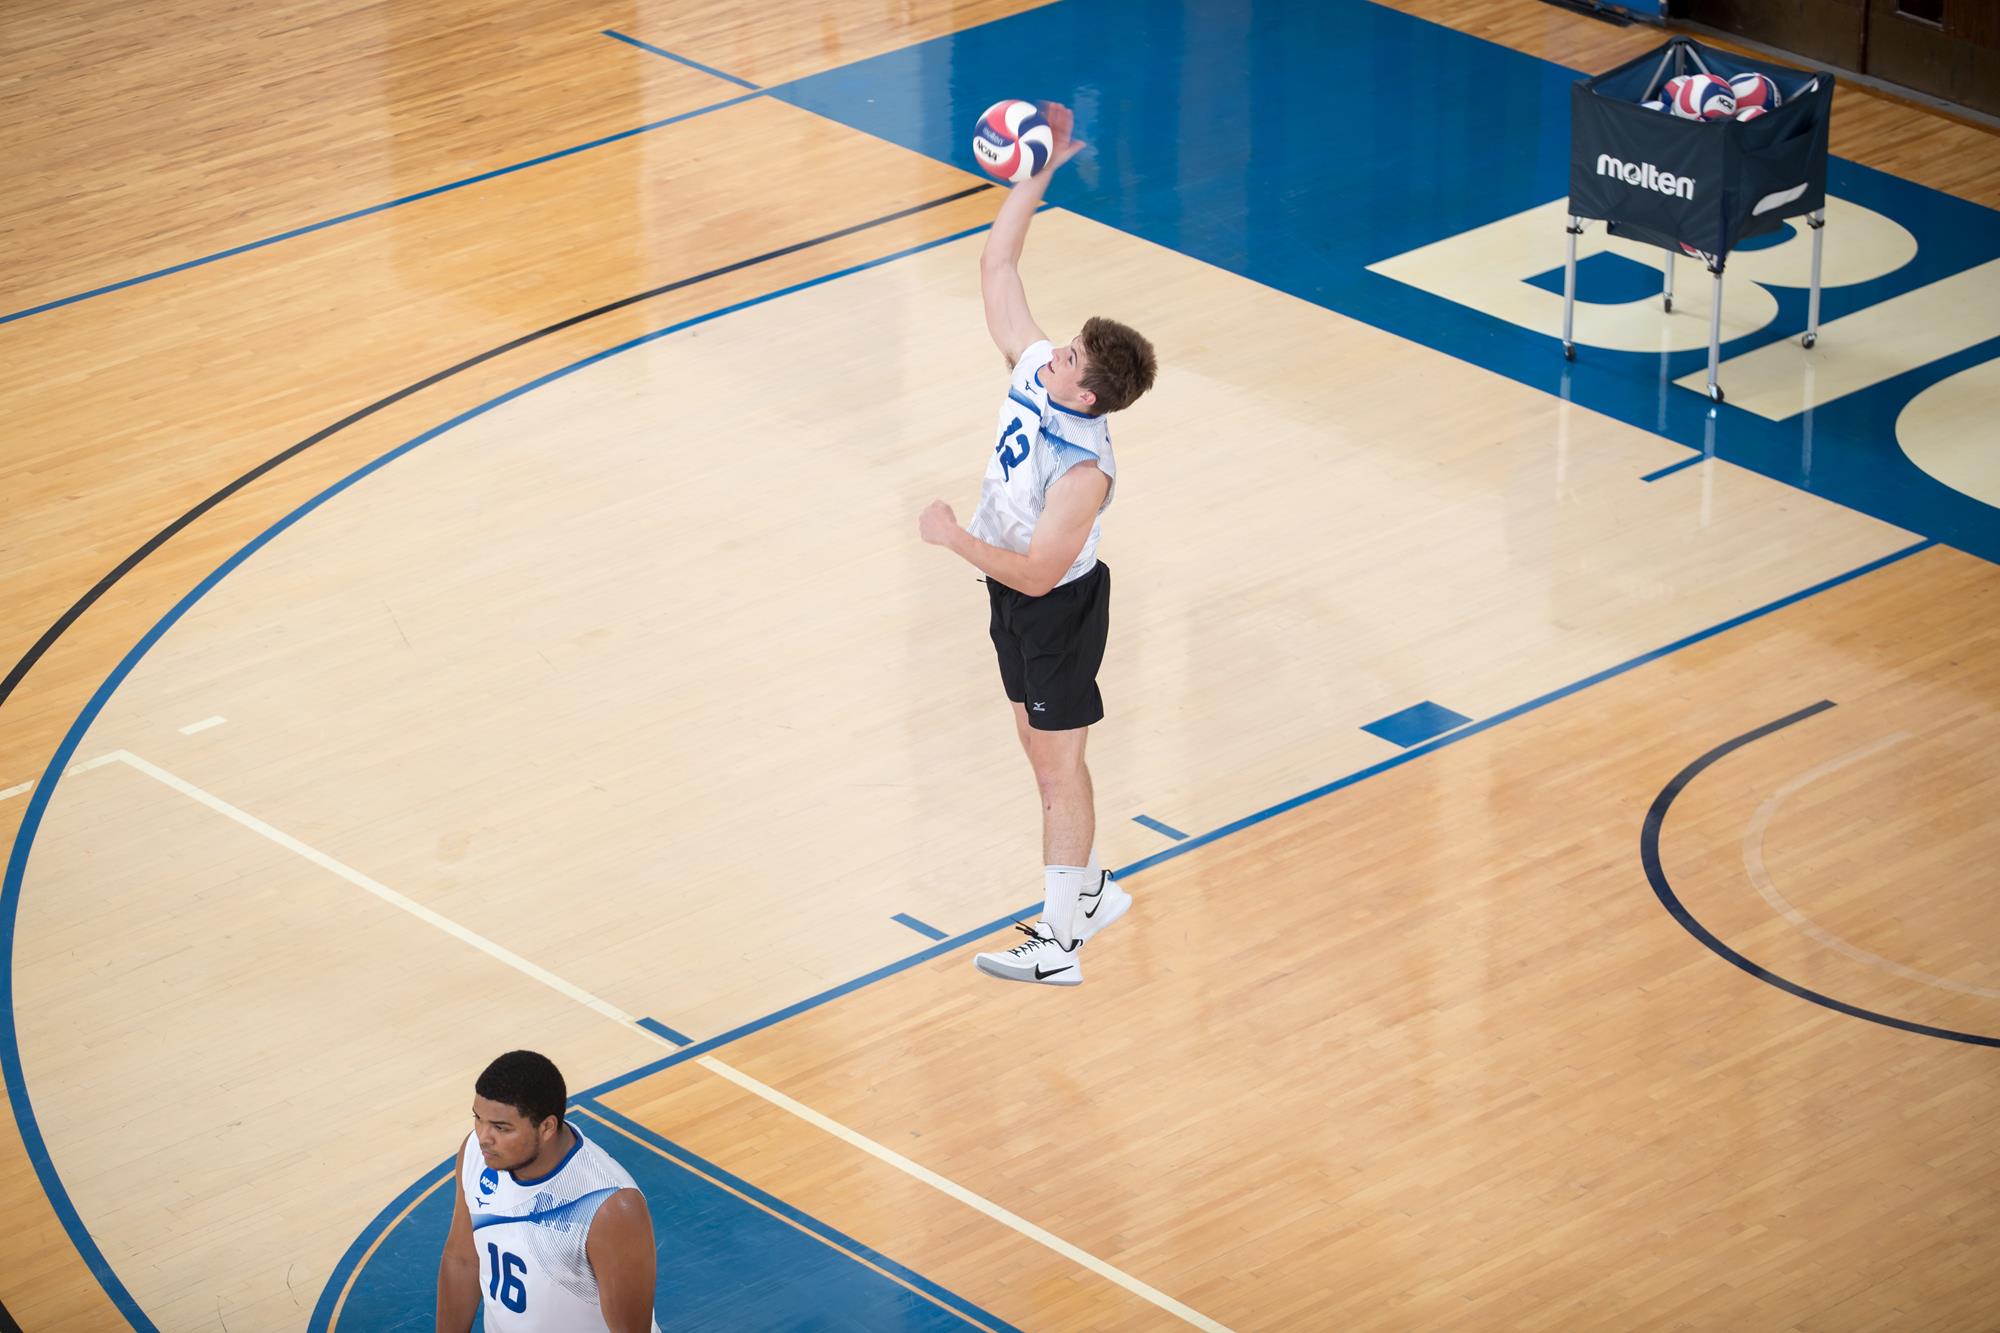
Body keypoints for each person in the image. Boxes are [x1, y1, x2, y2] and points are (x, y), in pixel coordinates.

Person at [918, 102, 1159, 987]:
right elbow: (998, 266)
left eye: (1069, 357)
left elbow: (1035, 568)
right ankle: (1091, 890)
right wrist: (1037, 173)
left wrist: (952, 539)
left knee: (1059, 768)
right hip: (1011, 593)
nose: (1054, 349)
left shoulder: (1082, 471)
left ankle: (1061, 944)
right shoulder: (1035, 371)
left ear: (1089, 397)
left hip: (1054, 604)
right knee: (1038, 746)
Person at [436, 1050, 659, 1332]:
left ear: (547, 1127)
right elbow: (463, 1259)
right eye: (478, 1118)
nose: (483, 1137)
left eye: (501, 1128)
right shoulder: (475, 1155)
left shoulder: (609, 1206)